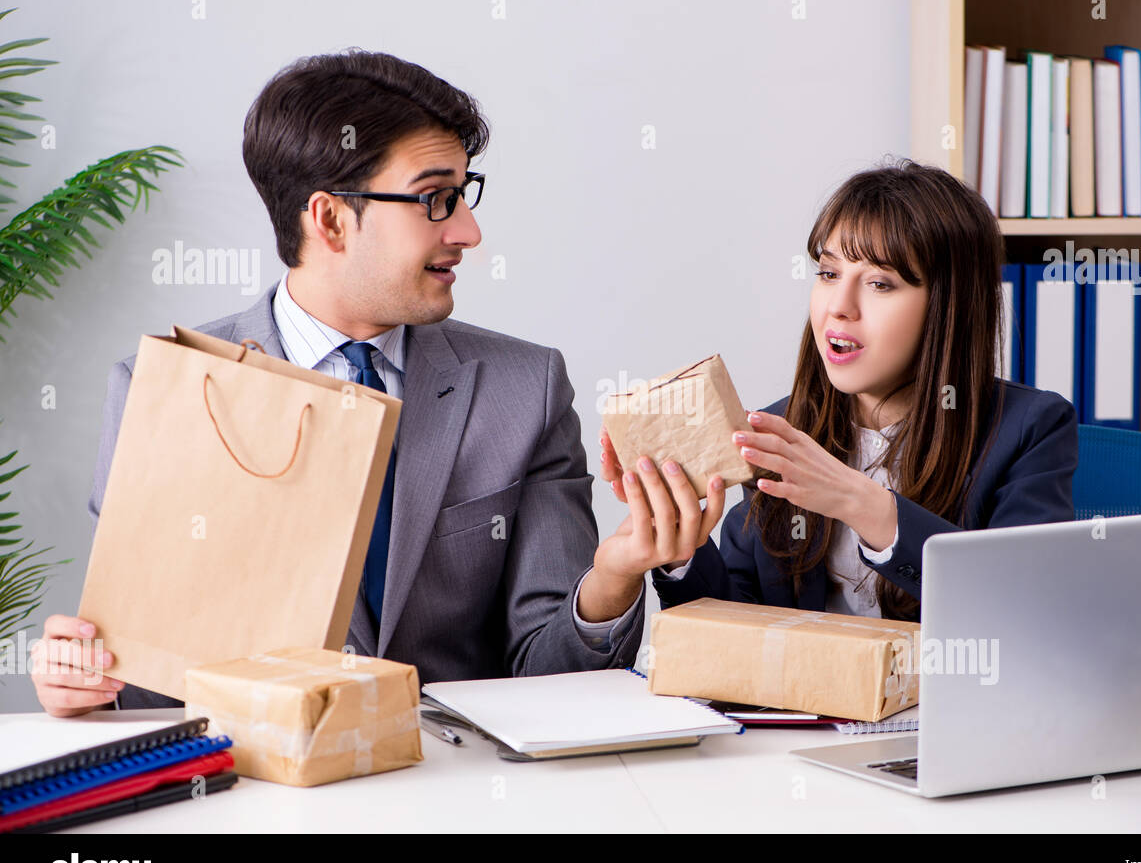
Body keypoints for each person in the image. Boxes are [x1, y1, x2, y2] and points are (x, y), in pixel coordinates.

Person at [34, 50, 712, 715]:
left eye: (464, 195)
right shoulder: (168, 391)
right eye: (435, 200)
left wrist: (615, 576)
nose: (470, 231)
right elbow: (161, 684)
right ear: (329, 219)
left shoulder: (525, 389)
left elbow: (549, 671)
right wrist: (87, 682)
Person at [600, 159, 1078, 621]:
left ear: (947, 307)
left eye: (879, 283)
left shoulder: (1029, 428)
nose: (840, 307)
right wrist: (681, 549)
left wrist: (864, 506)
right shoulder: (780, 430)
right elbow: (743, 620)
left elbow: (1025, 613)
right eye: (829, 274)